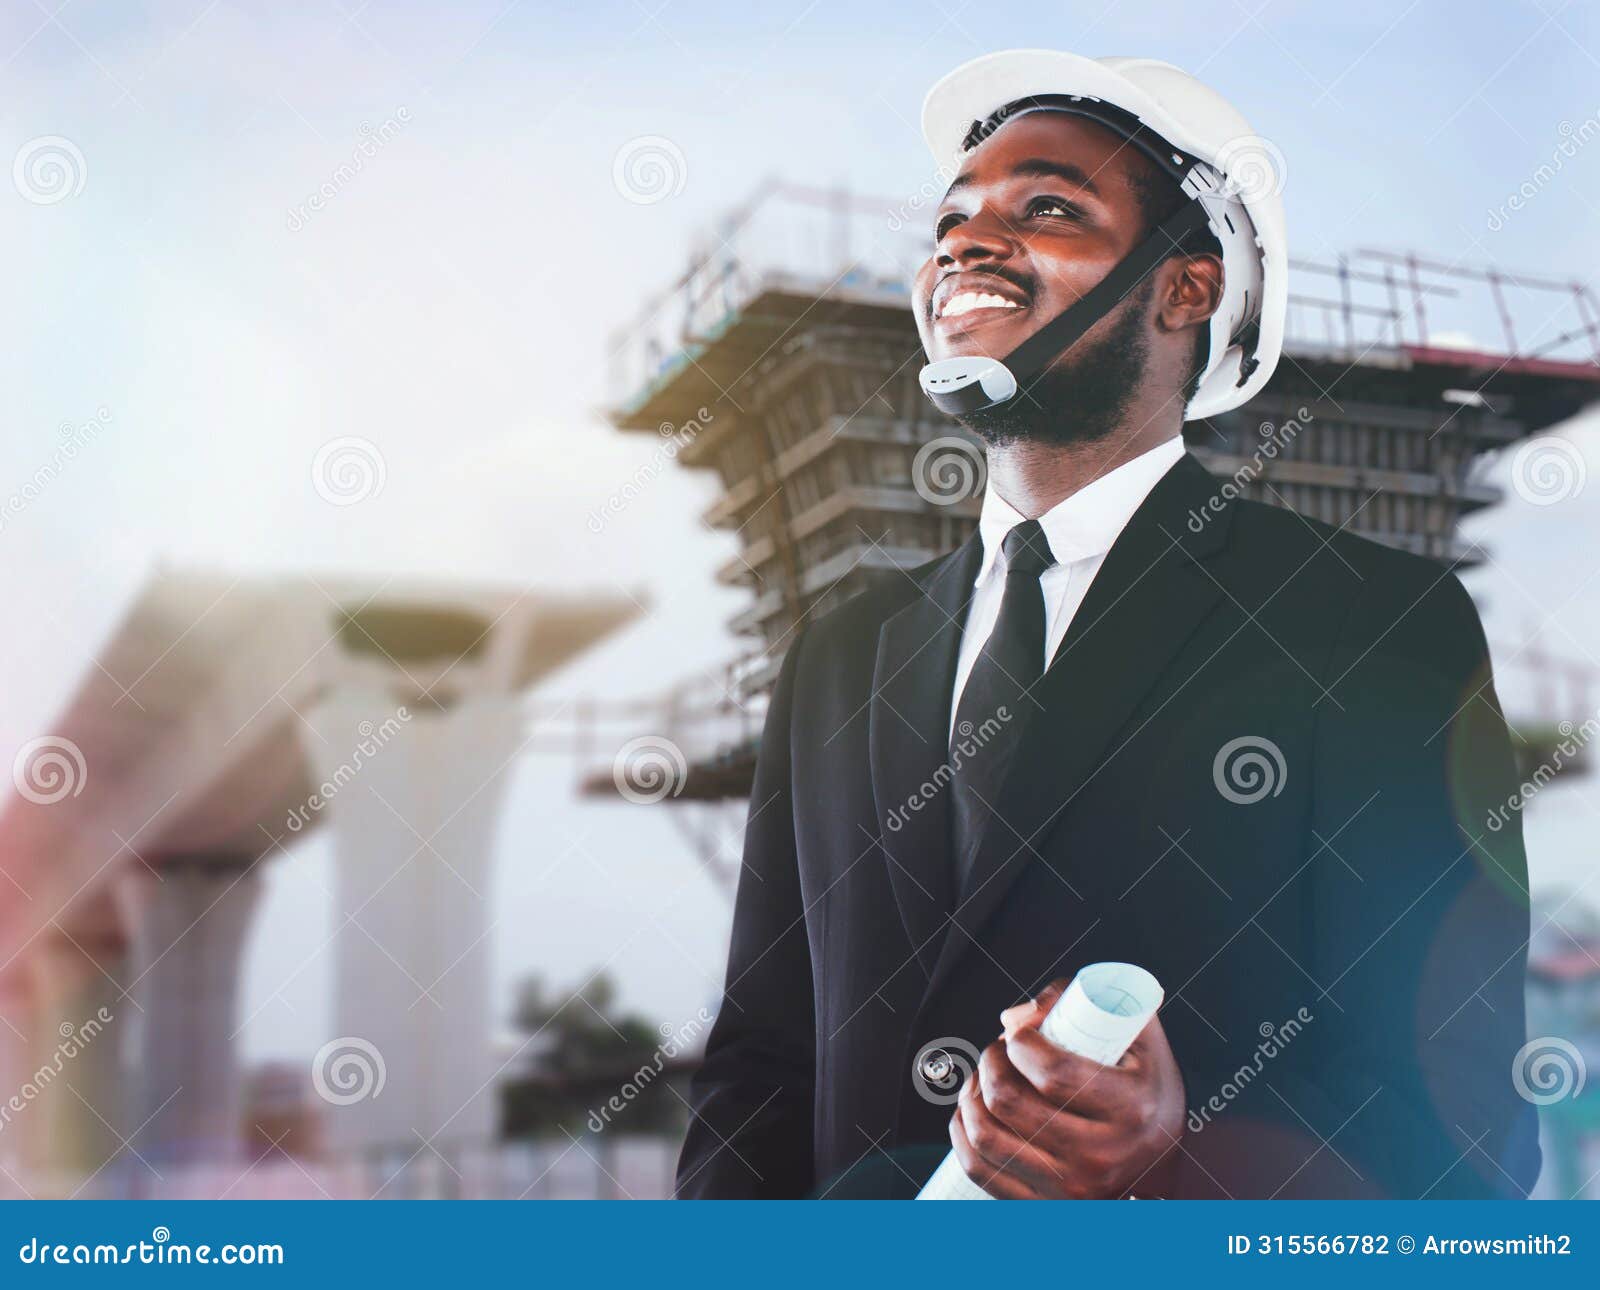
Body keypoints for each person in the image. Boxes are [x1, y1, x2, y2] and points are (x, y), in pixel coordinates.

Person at [676, 49, 1539, 1199]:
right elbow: (758, 1067)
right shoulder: (838, 658)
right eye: (950, 222)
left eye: (1046, 208)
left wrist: (1174, 1160)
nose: (965, 246)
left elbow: (1466, 1123)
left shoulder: (1367, 622)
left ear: (1184, 291)